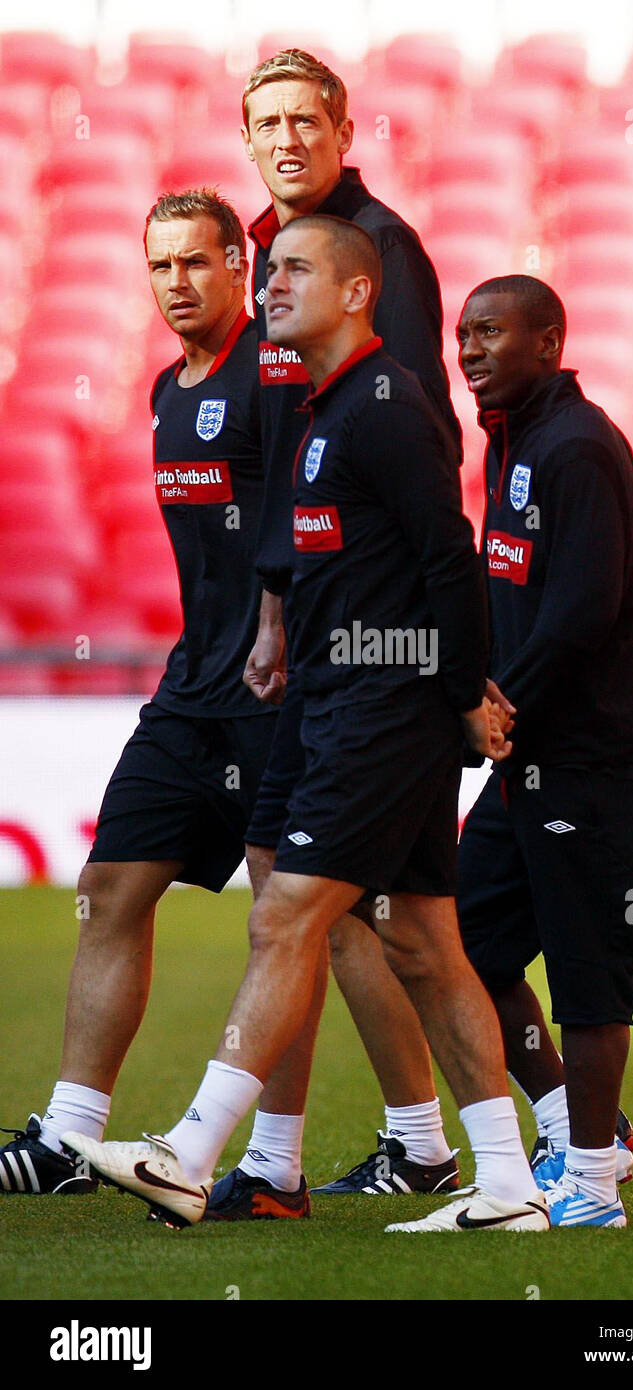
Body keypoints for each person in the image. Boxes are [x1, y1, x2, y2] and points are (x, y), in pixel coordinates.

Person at [61, 217, 551, 1238]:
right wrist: (282, 634)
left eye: (290, 270)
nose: (270, 284)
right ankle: (507, 1184)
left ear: (358, 291)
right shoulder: (327, 409)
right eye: (271, 270)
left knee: (286, 916)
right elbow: (321, 554)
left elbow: (448, 559)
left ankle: (189, 1152)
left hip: (382, 706)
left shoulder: (384, 407)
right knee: (421, 941)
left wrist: (461, 693)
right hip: (325, 701)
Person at [209, 47, 468, 1216]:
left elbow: (410, 444)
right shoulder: (273, 256)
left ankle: (249, 1153)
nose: (287, 140)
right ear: (249, 137)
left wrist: (416, 658)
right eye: (266, 123)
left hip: (375, 654)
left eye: (306, 120)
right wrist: (274, 600)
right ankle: (442, 1151)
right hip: (311, 630)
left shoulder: (374, 252)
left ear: (342, 126)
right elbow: (288, 459)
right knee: (379, 911)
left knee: (314, 896)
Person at [0, 191, 278, 1199]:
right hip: (188, 691)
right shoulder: (166, 390)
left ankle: (374, 1144)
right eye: (159, 267)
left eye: (197, 263)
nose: (176, 284)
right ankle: (71, 1138)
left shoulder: (275, 379)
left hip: (272, 693)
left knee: (304, 923)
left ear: (239, 268)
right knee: (109, 888)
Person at [455, 274, 633, 1227]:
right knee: (459, 943)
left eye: (490, 332)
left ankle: (588, 1189)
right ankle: (575, 1126)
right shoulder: (514, 445)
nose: (468, 349)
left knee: (588, 973)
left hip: (590, 754)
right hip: (527, 752)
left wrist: (499, 705)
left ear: (547, 343)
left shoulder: (578, 449)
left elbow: (584, 609)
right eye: (462, 334)